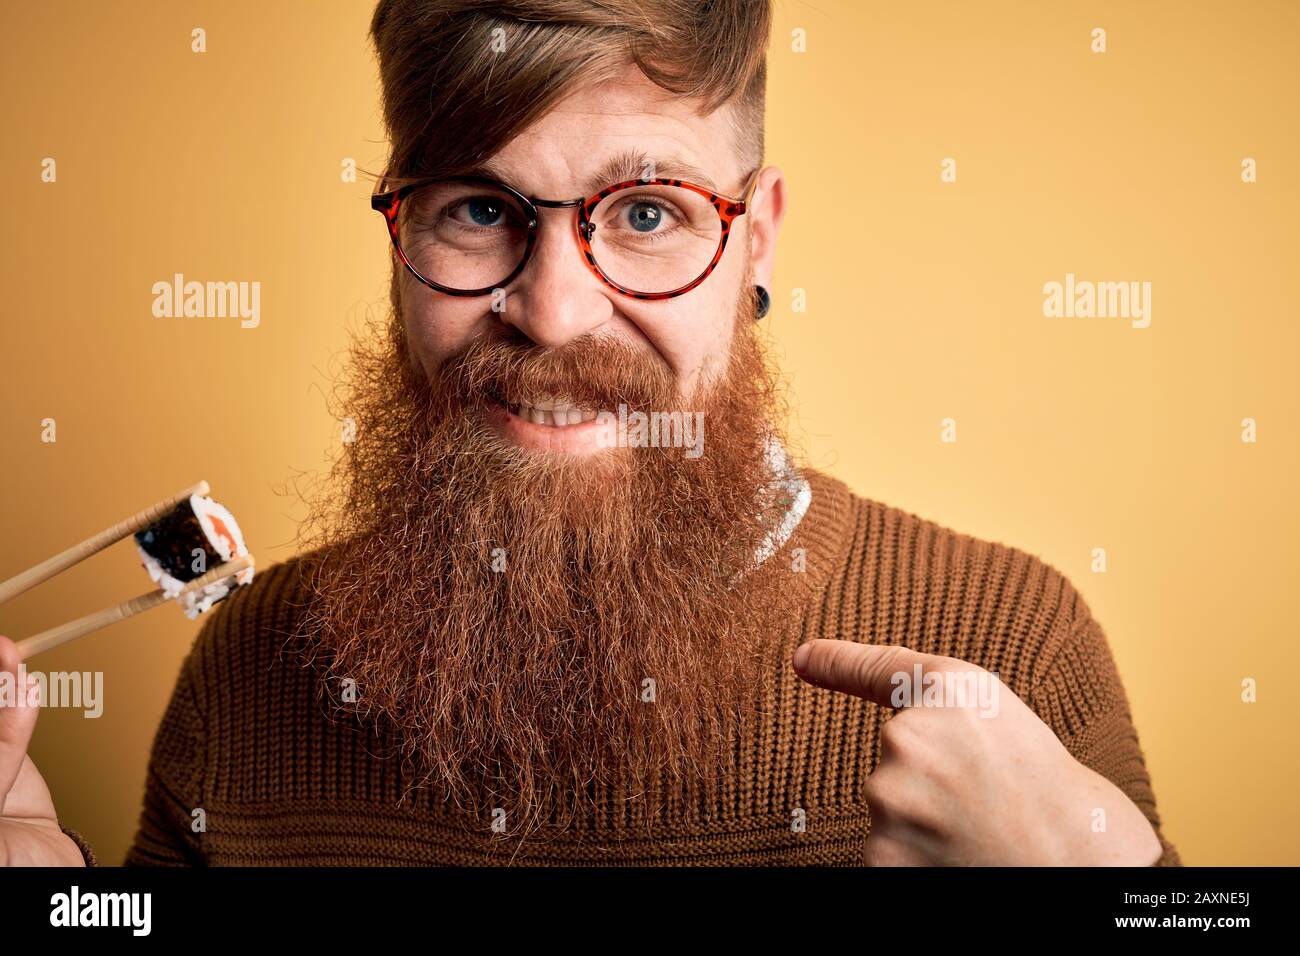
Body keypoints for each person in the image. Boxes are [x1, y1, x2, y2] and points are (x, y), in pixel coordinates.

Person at [0, 0, 1178, 866]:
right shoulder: (247, 669)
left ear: (756, 240)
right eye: (477, 207)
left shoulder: (1005, 646)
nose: (554, 311)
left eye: (648, 211)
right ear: (396, 231)